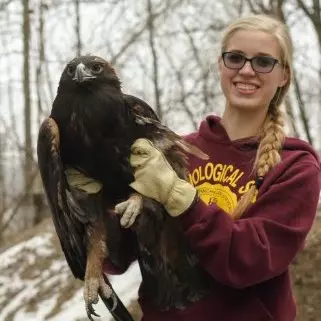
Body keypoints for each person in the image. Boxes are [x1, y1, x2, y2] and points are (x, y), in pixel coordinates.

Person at [67, 14, 320, 321]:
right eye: (236, 58)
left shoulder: (296, 166)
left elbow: (249, 259)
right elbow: (122, 255)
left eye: (264, 62)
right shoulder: (172, 150)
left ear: (284, 76)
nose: (247, 70)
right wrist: (91, 203)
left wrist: (180, 198)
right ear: (220, 65)